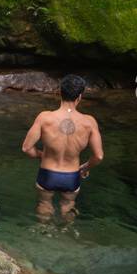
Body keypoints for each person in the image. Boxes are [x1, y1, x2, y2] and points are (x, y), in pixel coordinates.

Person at [21, 74, 104, 220]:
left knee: (44, 203)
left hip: (48, 174)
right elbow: (98, 156)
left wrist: (43, 155)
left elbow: (26, 148)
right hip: (71, 176)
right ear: (80, 97)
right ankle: (67, 232)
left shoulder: (45, 118)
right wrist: (85, 167)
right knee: (68, 205)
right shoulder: (89, 122)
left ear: (59, 92)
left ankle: (44, 232)